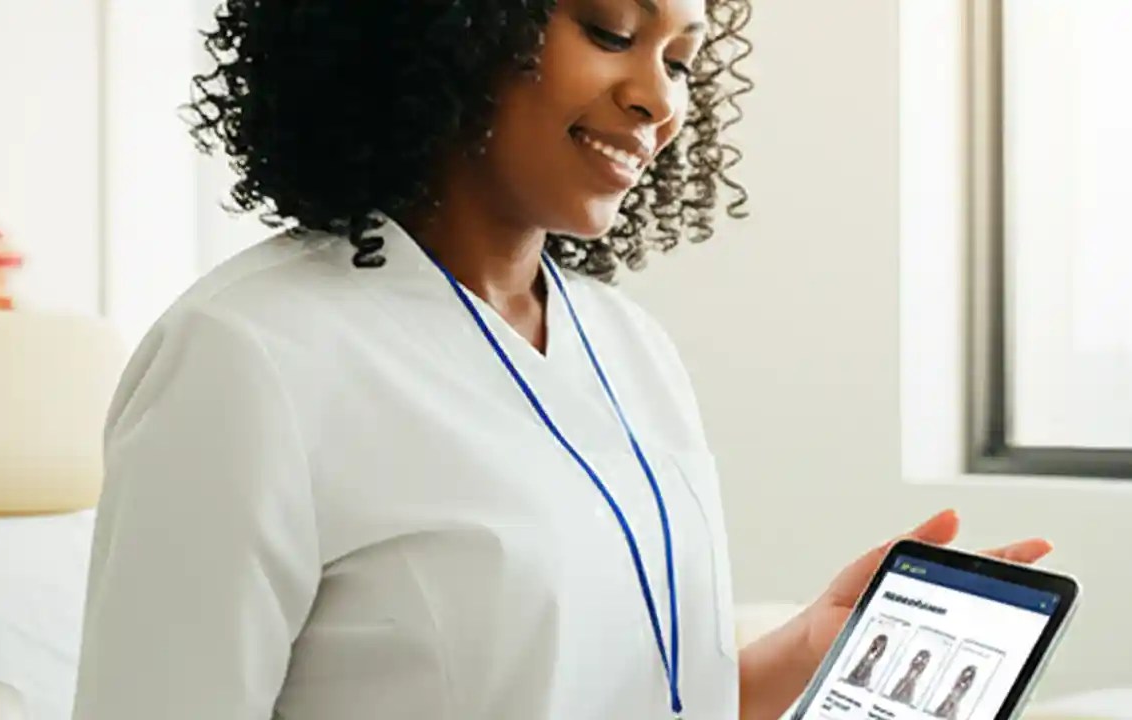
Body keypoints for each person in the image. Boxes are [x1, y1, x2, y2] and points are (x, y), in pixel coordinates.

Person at [70, 0, 1053, 718]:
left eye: (678, 58)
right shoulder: (249, 354)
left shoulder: (631, 348)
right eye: (611, 35)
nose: (655, 100)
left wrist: (801, 648)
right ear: (452, 28)